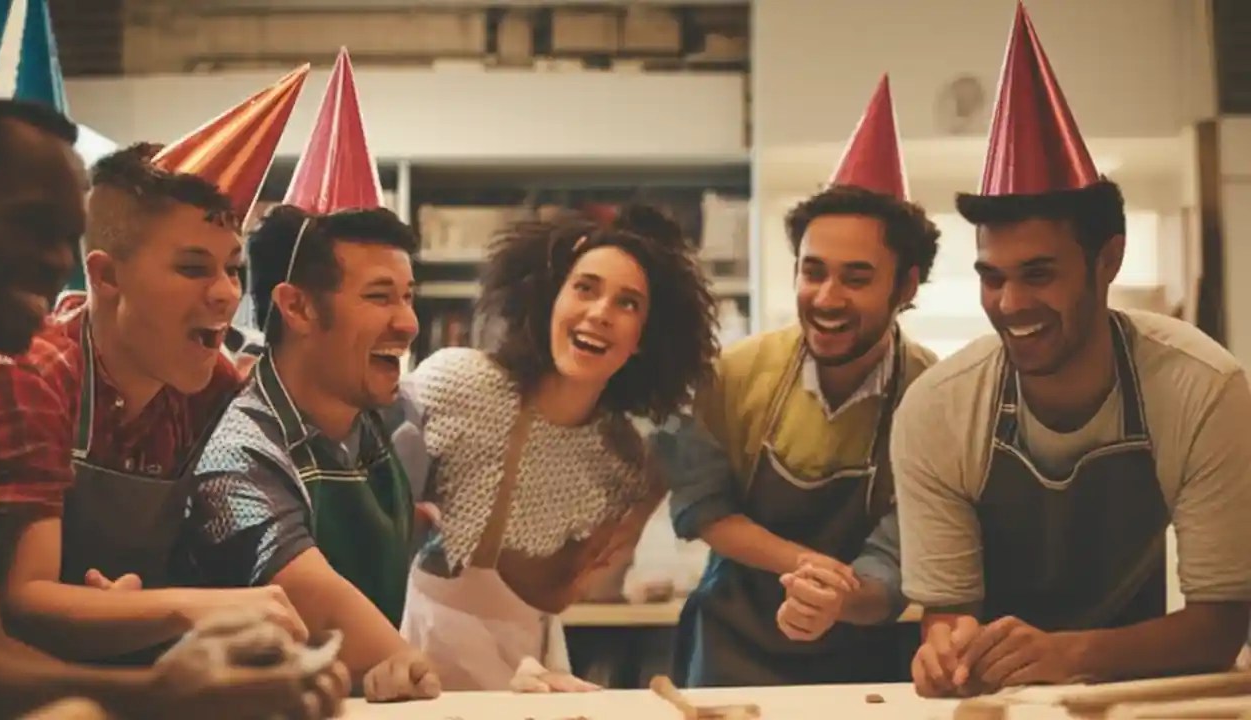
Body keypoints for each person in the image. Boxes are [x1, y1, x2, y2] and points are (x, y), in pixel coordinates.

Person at [895, 4, 1251, 698]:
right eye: (991, 278)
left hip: (1140, 695)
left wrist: (1068, 655)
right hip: (996, 702)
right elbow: (947, 609)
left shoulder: (1202, 389)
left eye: (1039, 274)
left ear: (1107, 260)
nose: (1010, 304)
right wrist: (944, 650)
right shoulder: (938, 411)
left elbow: (1221, 624)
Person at [0, 93, 349, 720]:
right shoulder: (31, 371)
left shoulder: (213, 387)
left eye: (234, 269)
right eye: (193, 268)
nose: (227, 294)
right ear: (105, 277)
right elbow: (15, 610)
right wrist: (183, 616)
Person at [652, 76, 941, 687]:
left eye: (857, 278)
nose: (827, 298)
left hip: (861, 656)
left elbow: (898, 554)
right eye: (813, 272)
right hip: (731, 648)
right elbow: (702, 508)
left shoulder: (934, 398)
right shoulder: (730, 375)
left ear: (906, 286)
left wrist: (839, 601)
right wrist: (807, 565)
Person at [185, 48, 440, 703]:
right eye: (381, 296)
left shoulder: (385, 423)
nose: (408, 324)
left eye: (410, 297)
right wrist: (405, 662)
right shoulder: (238, 454)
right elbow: (314, 600)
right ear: (295, 306)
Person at [398, 204, 720, 691]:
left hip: (528, 671)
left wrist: (643, 506)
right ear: (550, 297)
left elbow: (560, 596)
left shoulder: (627, 461)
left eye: (628, 304)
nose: (600, 313)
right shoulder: (455, 380)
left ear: (644, 340)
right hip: (410, 658)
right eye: (585, 288)